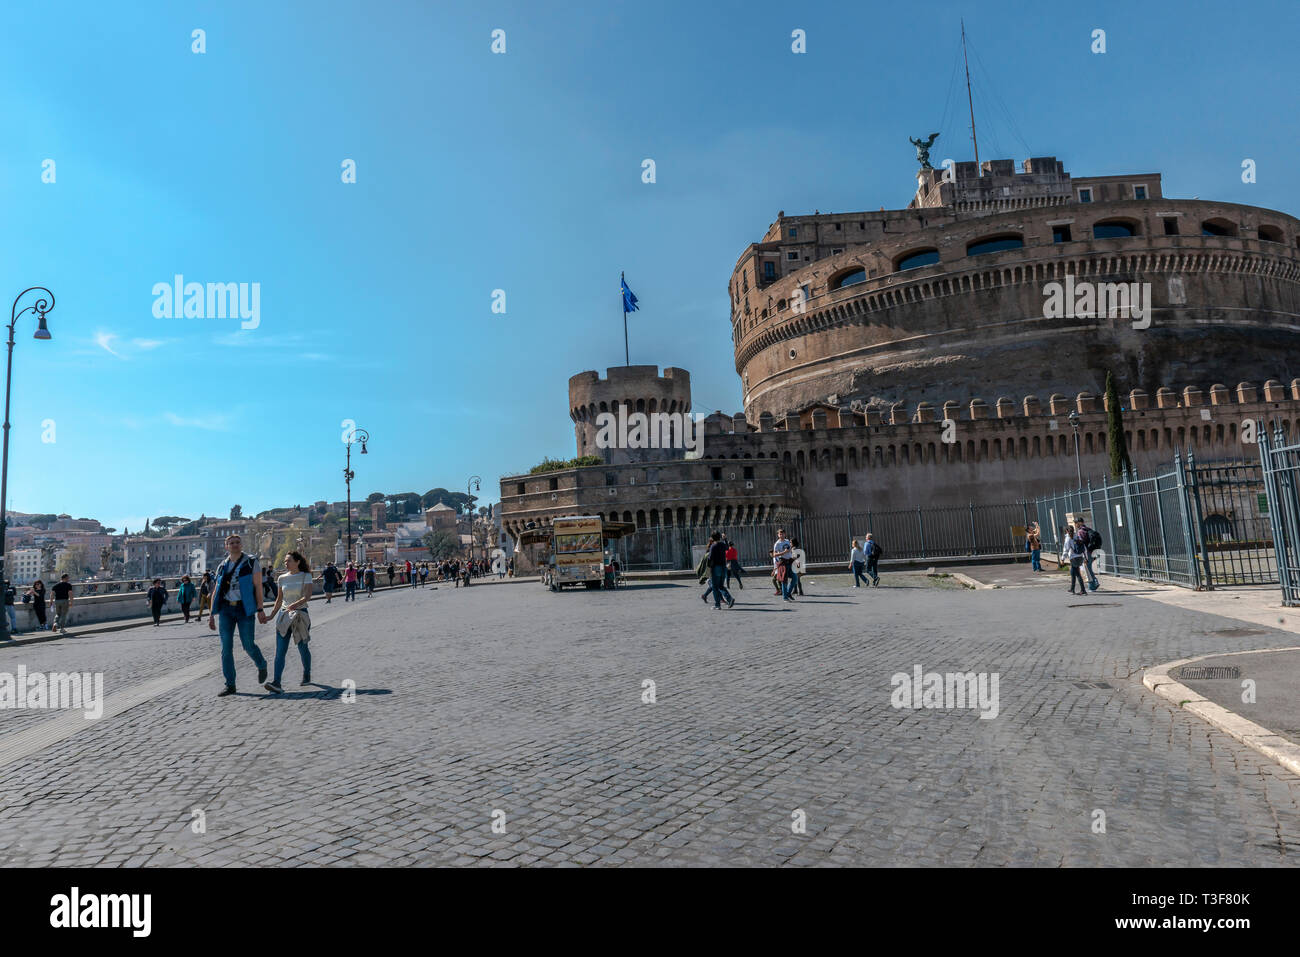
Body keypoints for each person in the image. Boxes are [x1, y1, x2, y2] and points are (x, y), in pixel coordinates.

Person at [208, 534, 269, 697]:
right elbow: (216, 590)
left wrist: (260, 609)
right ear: (226, 546)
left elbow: (258, 586)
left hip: (244, 608)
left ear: (241, 545)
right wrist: (211, 614)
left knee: (248, 645)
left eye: (237, 542)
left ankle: (261, 664)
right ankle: (230, 684)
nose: (235, 545)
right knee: (225, 649)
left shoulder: (251, 562)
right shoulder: (222, 566)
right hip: (226, 610)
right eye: (231, 543)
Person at [263, 551, 313, 693]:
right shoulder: (282, 578)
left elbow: (308, 595)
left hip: (300, 614)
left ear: (297, 562)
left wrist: (296, 604)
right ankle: (277, 682)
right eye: (285, 561)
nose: (286, 563)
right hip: (284, 615)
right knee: (280, 651)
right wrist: (272, 615)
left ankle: (307, 673)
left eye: (289, 560)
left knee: (302, 647)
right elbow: (279, 599)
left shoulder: (306, 575)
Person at [706, 531, 735, 610]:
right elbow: (727, 546)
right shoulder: (722, 545)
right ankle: (729, 599)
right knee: (720, 586)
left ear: (712, 538)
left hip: (716, 568)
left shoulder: (713, 546)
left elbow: (710, 558)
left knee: (715, 587)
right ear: (719, 537)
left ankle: (717, 605)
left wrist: (708, 569)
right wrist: (725, 538)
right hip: (723, 567)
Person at [772, 529, 795, 602]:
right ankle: (785, 597)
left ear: (785, 534)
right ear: (778, 535)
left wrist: (792, 555)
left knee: (795, 578)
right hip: (783, 562)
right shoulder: (777, 544)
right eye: (780, 534)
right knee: (784, 580)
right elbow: (774, 554)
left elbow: (789, 550)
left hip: (789, 562)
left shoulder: (787, 541)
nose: (781, 535)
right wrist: (783, 552)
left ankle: (788, 593)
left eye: (782, 534)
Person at [1065, 531, 1089, 596]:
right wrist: (1085, 558)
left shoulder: (1068, 538)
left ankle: (1083, 590)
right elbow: (1084, 548)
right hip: (1080, 557)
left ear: (1067, 531)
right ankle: (1072, 589)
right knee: (1072, 573)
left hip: (1073, 558)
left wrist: (1062, 558)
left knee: (1077, 574)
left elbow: (1066, 549)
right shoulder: (1078, 536)